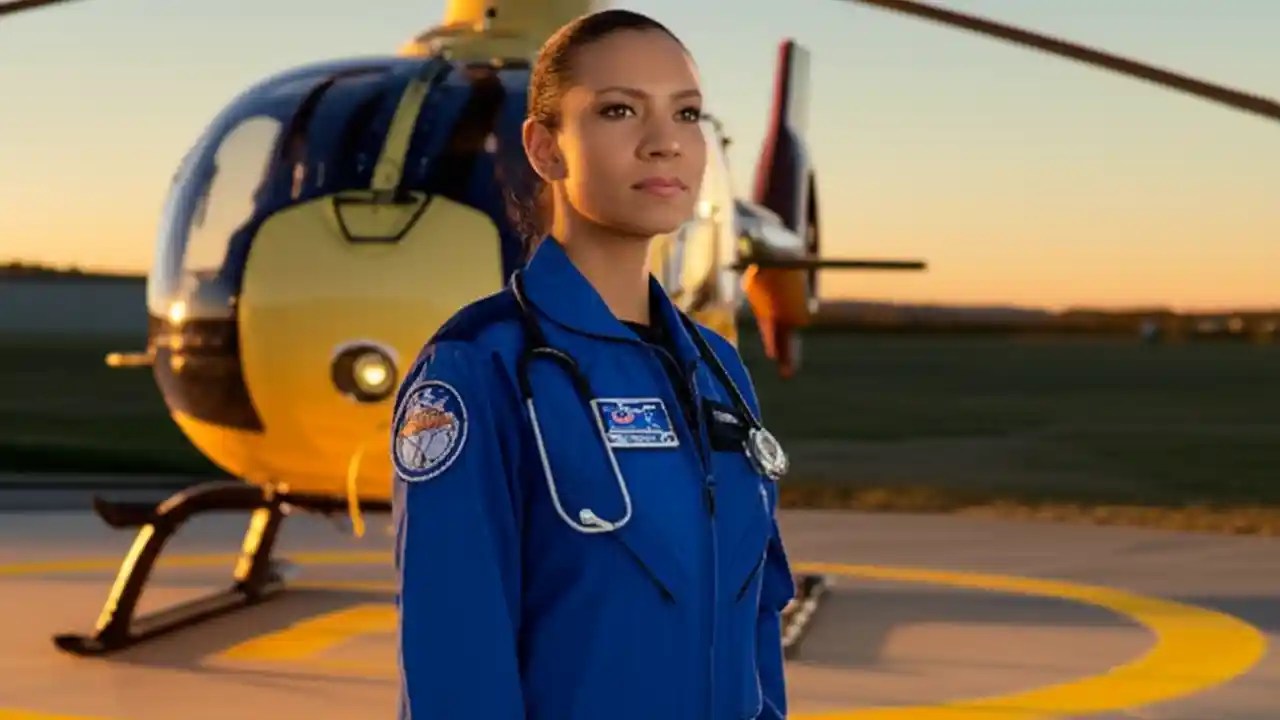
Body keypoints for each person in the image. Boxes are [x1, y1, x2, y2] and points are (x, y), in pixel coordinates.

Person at [390, 8, 796, 719]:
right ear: (546, 150)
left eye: (688, 114)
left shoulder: (719, 371)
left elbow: (756, 613)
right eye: (618, 110)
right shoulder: (480, 368)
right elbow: (454, 653)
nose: (664, 143)